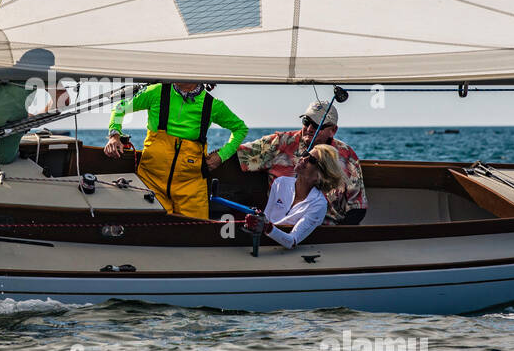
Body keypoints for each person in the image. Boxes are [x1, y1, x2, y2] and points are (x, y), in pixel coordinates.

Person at [104, 82, 247, 219]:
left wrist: (221, 156)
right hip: (151, 181)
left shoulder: (213, 105)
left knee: (194, 234)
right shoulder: (156, 92)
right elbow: (120, 108)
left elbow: (240, 128)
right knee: (150, 229)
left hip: (191, 186)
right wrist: (114, 135)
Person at [237, 99, 367, 224]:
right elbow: (237, 154)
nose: (309, 128)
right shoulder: (279, 143)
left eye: (317, 125)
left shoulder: (346, 154)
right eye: (306, 121)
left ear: (333, 130)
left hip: (325, 230)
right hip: (280, 227)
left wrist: (336, 239)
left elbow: (357, 207)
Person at [244, 144, 343, 249]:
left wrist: (266, 227)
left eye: (312, 160)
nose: (303, 159)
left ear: (320, 174)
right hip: (265, 243)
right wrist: (259, 221)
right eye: (305, 154)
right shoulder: (280, 183)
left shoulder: (319, 205)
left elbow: (291, 241)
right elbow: (267, 218)